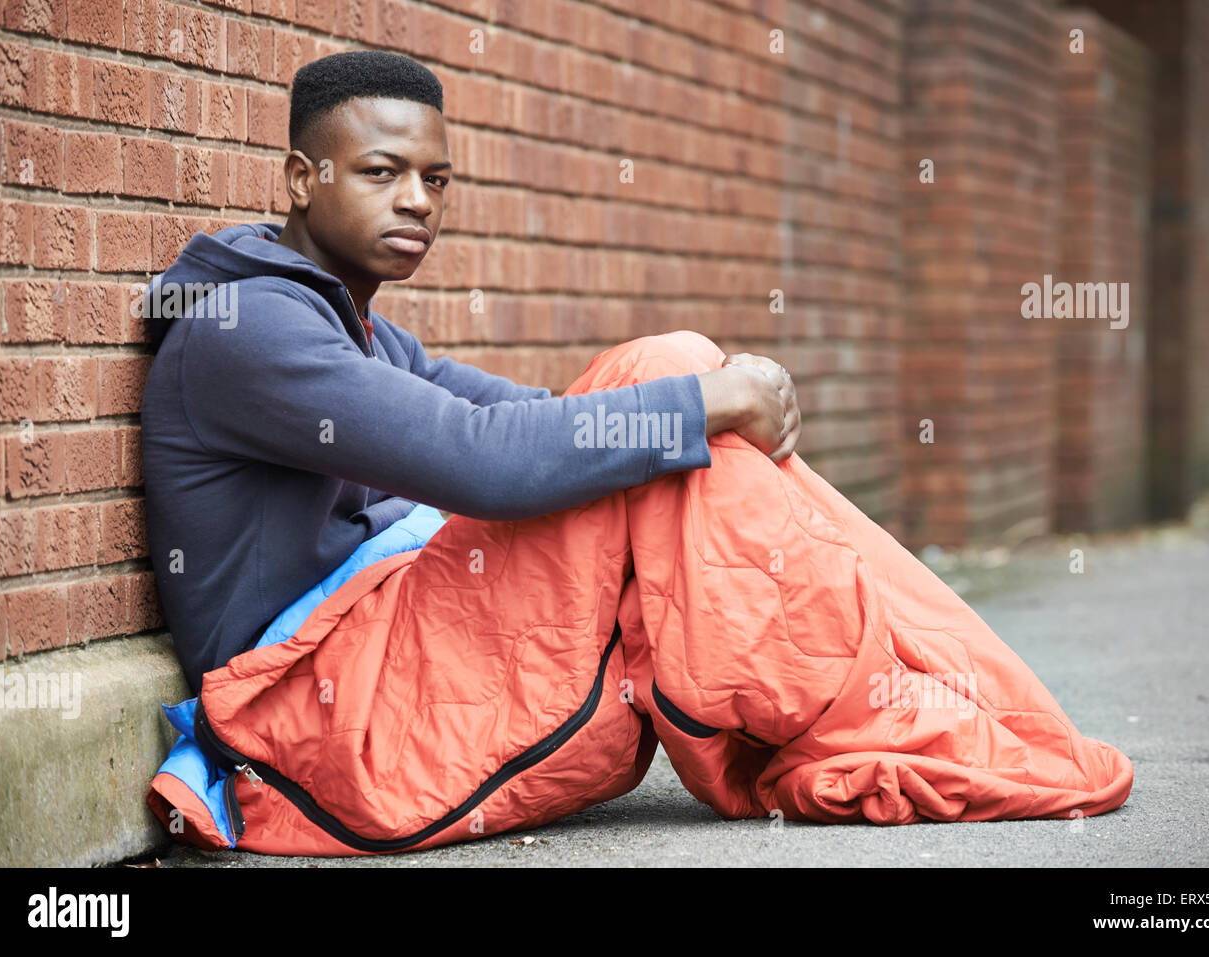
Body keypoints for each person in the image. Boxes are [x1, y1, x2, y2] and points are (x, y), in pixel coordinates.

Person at [140, 50, 798, 695]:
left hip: (377, 651)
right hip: (293, 694)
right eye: (381, 172)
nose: (418, 201)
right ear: (304, 180)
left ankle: (851, 659)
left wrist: (715, 386)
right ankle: (852, 662)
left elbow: (554, 418)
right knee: (671, 398)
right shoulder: (249, 327)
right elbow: (485, 459)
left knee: (661, 374)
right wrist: (716, 397)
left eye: (436, 179)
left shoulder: (372, 339)